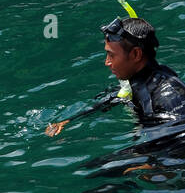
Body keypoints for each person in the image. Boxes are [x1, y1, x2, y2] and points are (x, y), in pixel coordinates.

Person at [46, 15, 185, 135]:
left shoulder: (169, 96)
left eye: (111, 55)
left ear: (136, 54)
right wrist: (67, 121)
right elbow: (116, 97)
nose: (107, 62)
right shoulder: (140, 80)